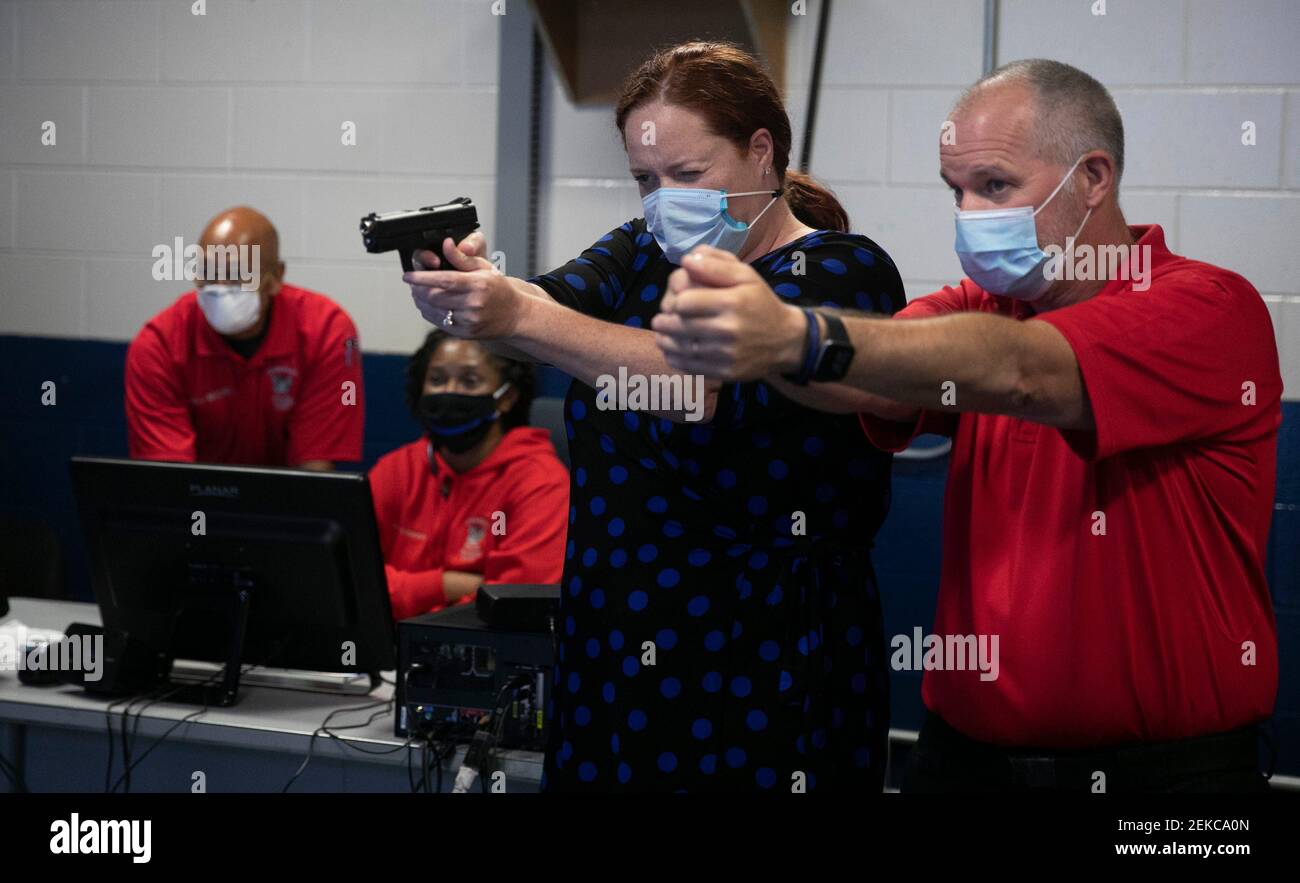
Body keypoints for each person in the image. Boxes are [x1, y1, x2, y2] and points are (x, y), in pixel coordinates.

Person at [652, 58, 1280, 793]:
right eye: (958, 191)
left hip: (1165, 780)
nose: (972, 213)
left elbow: (1027, 370)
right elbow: (873, 383)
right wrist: (756, 334)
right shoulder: (980, 306)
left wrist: (798, 336)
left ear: (1094, 176)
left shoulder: (1208, 307)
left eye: (997, 186)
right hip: (961, 762)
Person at [402, 42, 905, 792]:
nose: (664, 199)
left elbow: (701, 389)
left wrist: (515, 314)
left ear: (761, 150)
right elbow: (550, 303)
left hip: (763, 662)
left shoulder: (842, 270)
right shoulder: (645, 248)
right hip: (610, 657)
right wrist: (475, 293)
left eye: (689, 174)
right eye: (645, 179)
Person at [125, 206, 364, 469]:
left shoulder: (329, 332)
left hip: (291, 503)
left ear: (276, 278)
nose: (220, 289)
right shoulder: (159, 345)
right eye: (208, 274)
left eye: (238, 275)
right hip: (196, 501)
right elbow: (168, 477)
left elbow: (315, 469)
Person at [370, 330, 569, 620]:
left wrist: (405, 594)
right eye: (437, 380)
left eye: (470, 381)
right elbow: (355, 583)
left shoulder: (541, 483)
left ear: (506, 398)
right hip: (386, 650)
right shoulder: (397, 469)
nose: (451, 391)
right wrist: (444, 585)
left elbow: (516, 606)